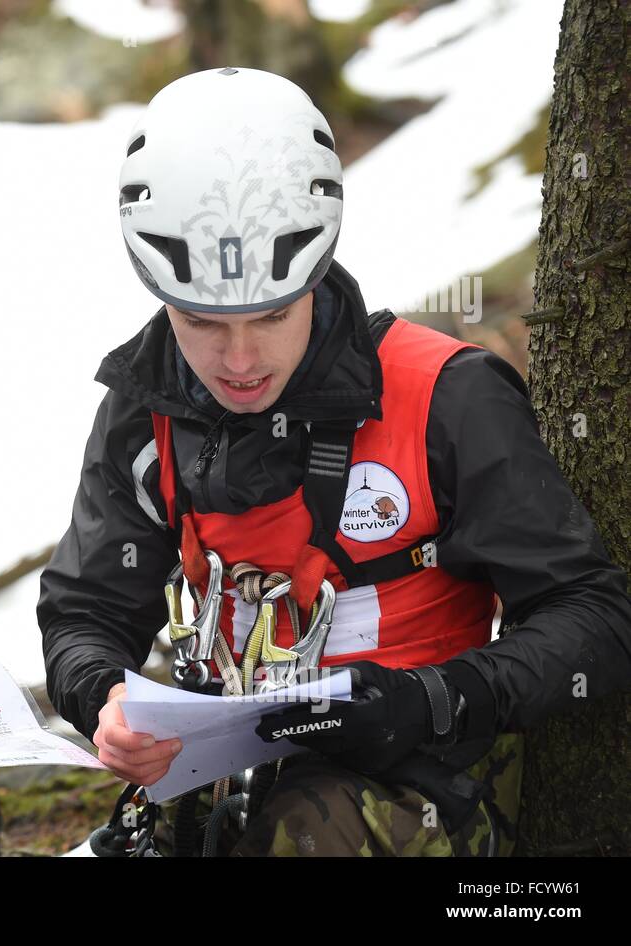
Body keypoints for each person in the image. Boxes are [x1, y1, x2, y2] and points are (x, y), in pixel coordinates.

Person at [39, 67, 631, 856]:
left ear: (316, 273)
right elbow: (86, 610)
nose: (239, 359)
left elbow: (595, 619)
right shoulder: (143, 410)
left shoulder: (444, 400)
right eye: (200, 321)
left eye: (274, 314)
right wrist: (108, 701)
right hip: (229, 783)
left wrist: (428, 700)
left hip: (423, 776)